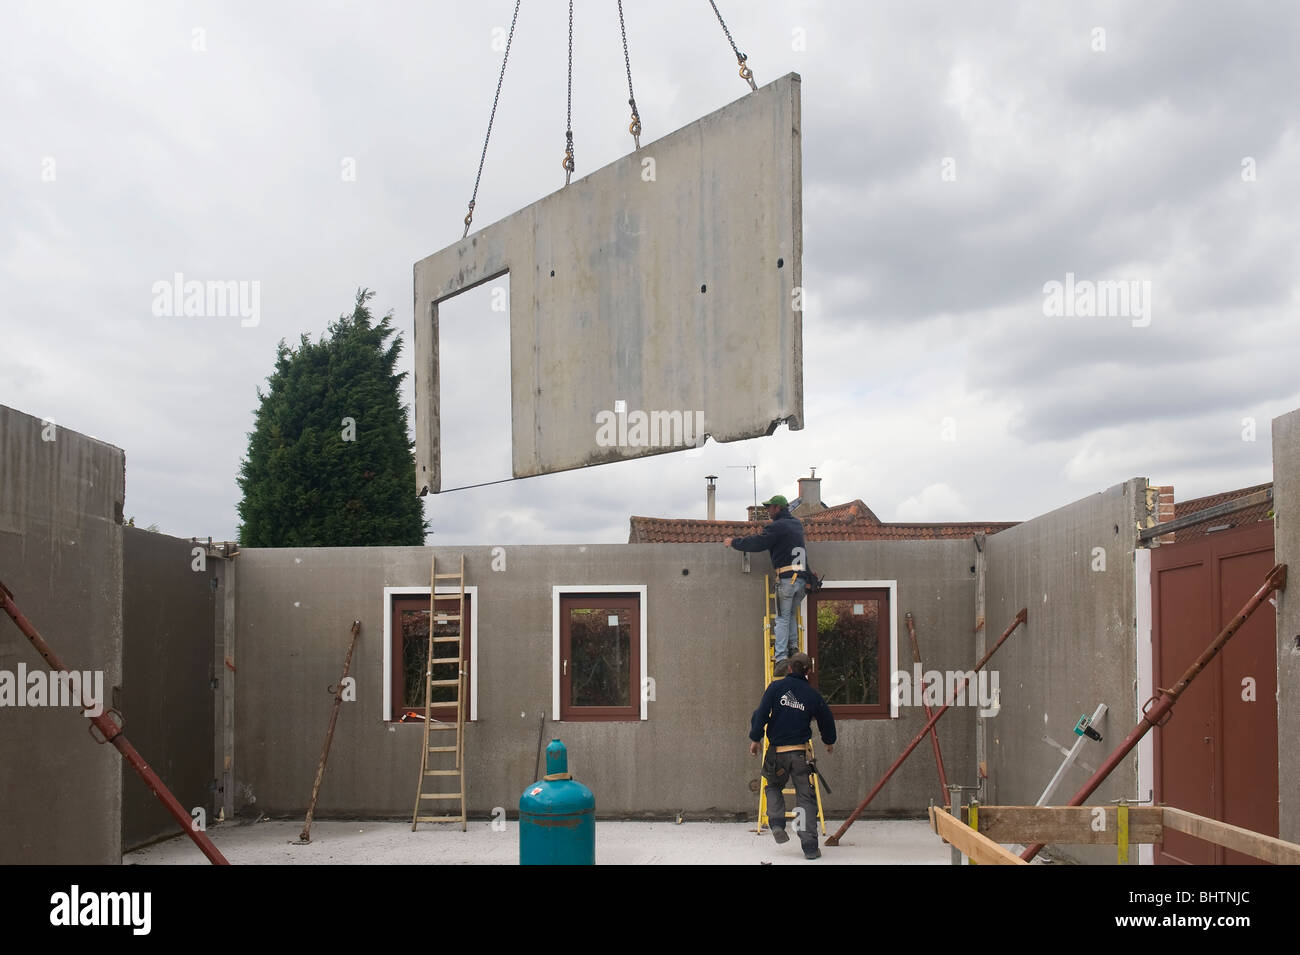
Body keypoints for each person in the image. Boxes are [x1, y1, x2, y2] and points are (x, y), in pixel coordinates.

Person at [748, 652, 836, 859]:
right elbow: (826, 718)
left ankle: (777, 824)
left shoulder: (775, 688)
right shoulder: (812, 695)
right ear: (809, 671)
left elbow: (760, 713)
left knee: (773, 786)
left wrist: (755, 738)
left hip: (776, 754)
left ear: (788, 668)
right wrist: (828, 741)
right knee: (805, 797)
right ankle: (810, 847)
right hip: (800, 755)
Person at [723, 494, 807, 664]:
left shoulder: (777, 527)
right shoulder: (797, 525)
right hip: (801, 580)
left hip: (786, 580)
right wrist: (810, 577)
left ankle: (781, 657)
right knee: (790, 614)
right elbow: (802, 551)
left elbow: (758, 543)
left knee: (782, 618)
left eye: (770, 507)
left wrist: (734, 542)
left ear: (778, 508)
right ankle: (794, 648)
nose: (768, 511)